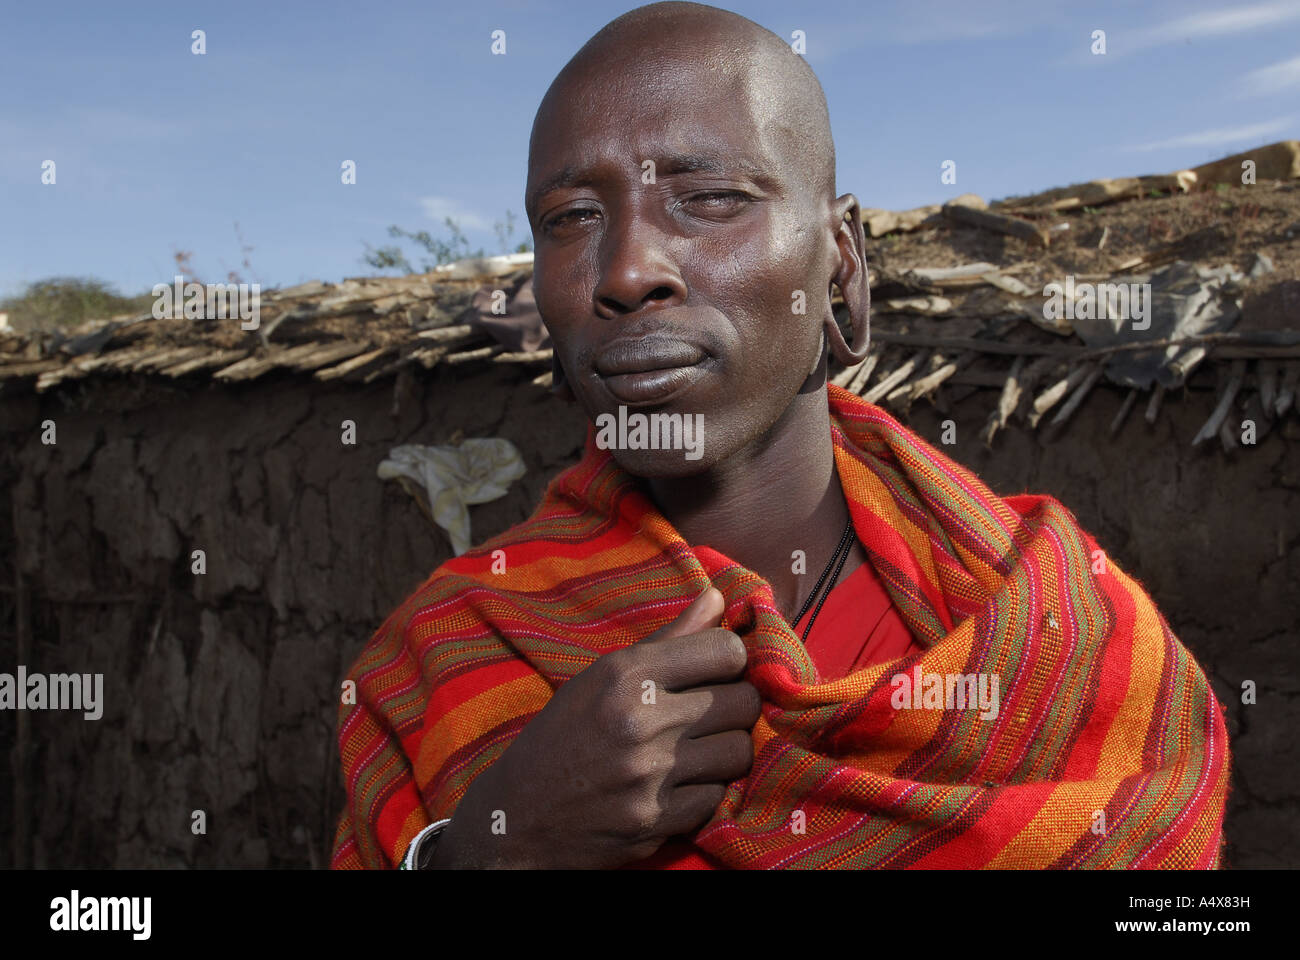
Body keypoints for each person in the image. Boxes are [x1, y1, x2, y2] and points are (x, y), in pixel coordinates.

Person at [331, 1, 1230, 870]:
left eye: (711, 198)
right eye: (571, 219)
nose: (629, 271)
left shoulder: (1064, 633)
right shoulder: (447, 652)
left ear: (841, 264)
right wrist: (496, 848)